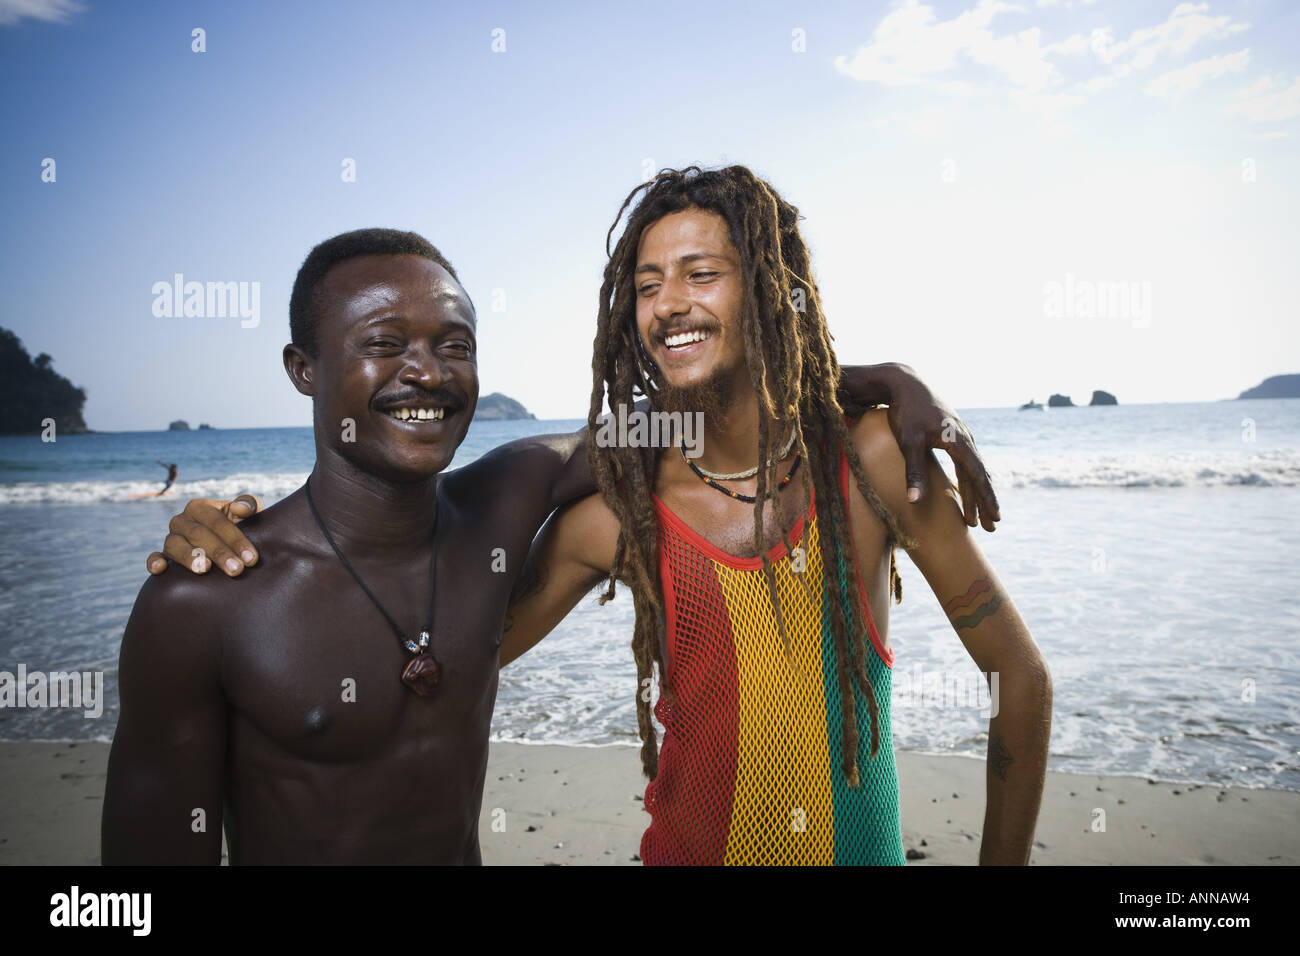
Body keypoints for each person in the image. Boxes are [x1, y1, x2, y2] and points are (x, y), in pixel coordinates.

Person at [108, 224, 993, 865]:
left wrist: (887, 380)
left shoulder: (508, 497)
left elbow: (706, 406)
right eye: (384, 344)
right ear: (306, 370)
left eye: (453, 344)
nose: (427, 370)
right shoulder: (206, 597)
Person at [499, 167, 1052, 865]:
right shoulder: (620, 516)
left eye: (700, 274)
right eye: (647, 285)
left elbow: (1019, 677)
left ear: (767, 288)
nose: (668, 303)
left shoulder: (871, 460)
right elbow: (464, 663)